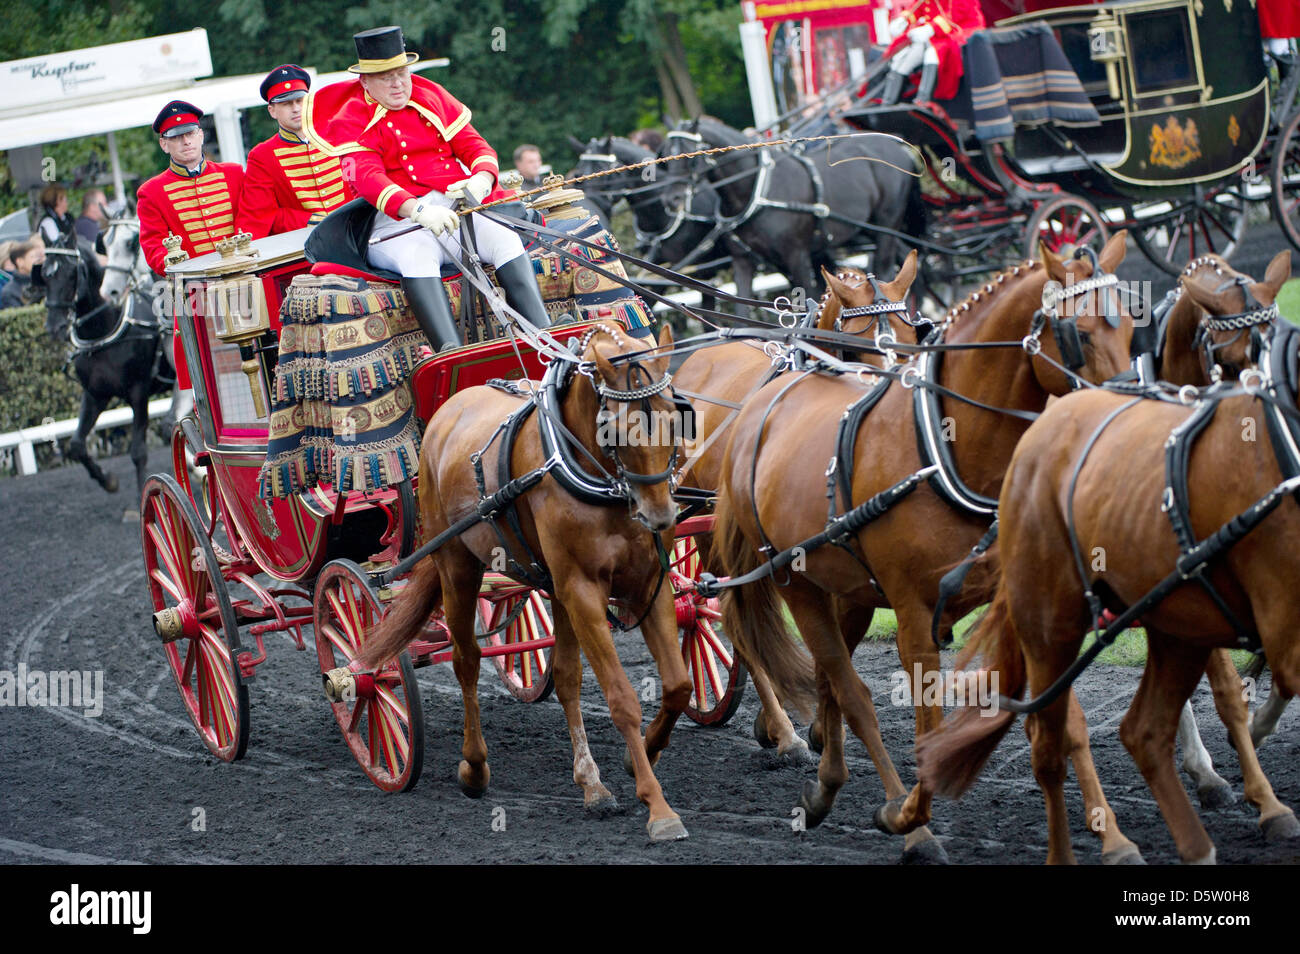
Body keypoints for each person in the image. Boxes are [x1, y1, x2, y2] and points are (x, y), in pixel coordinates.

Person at [304, 25, 551, 351]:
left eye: (401, 73)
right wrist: (417, 210)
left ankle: (545, 335)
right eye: (385, 76)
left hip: (452, 212)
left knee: (504, 239)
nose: (397, 83)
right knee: (417, 256)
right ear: (364, 81)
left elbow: (476, 147)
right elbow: (366, 177)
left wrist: (482, 177)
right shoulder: (351, 115)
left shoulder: (429, 96)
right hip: (395, 224)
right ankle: (450, 350)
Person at [136, 100, 244, 389]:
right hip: (194, 293)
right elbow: (153, 248)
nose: (185, 141)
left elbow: (250, 224)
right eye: (176, 137)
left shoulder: (234, 174)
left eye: (190, 133)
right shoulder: (151, 192)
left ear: (200, 135)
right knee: (209, 376)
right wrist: (171, 261)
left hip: (241, 283)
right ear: (164, 144)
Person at [238, 65, 354, 238]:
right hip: (308, 242)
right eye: (286, 103)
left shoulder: (340, 134)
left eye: (300, 100)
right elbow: (262, 215)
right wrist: (308, 220)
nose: (296, 108)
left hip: (355, 229)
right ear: (272, 111)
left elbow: (356, 181)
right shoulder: (262, 156)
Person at [878, 0, 985, 105]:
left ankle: (924, 101)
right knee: (906, 55)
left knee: (933, 54)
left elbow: (958, 13)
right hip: (935, 33)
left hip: (960, 29)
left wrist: (931, 28)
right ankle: (889, 100)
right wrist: (905, 19)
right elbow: (919, 6)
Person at [1, 239, 45, 309]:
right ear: (20, 262)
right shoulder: (9, 292)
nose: (40, 260)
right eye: (34, 257)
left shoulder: (45, 282)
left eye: (41, 257)